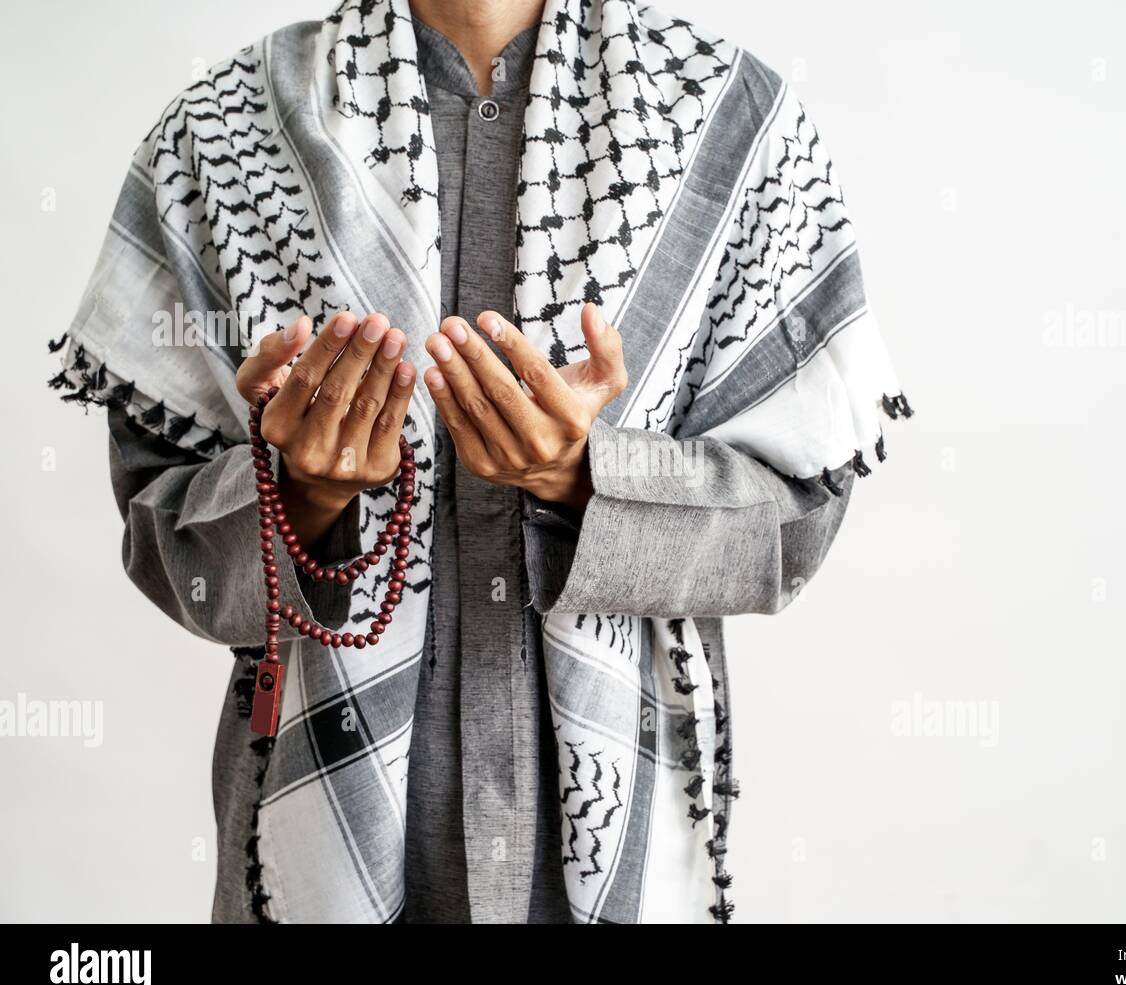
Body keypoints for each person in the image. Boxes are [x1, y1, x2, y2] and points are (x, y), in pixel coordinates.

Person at [49, 0, 910, 923]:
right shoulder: (223, 137)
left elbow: (793, 527)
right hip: (316, 849)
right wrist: (300, 487)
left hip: (627, 845)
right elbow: (163, 543)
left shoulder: (730, 127)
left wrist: (589, 479)